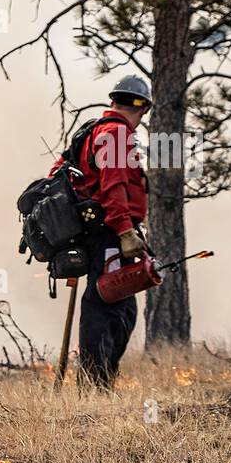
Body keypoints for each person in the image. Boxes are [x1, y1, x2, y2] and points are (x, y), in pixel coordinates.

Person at [52, 74, 152, 389]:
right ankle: (95, 383)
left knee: (117, 305)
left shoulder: (92, 131)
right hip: (109, 233)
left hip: (95, 232)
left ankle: (98, 380)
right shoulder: (117, 135)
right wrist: (125, 231)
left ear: (114, 101)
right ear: (144, 108)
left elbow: (59, 171)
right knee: (108, 305)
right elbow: (113, 188)